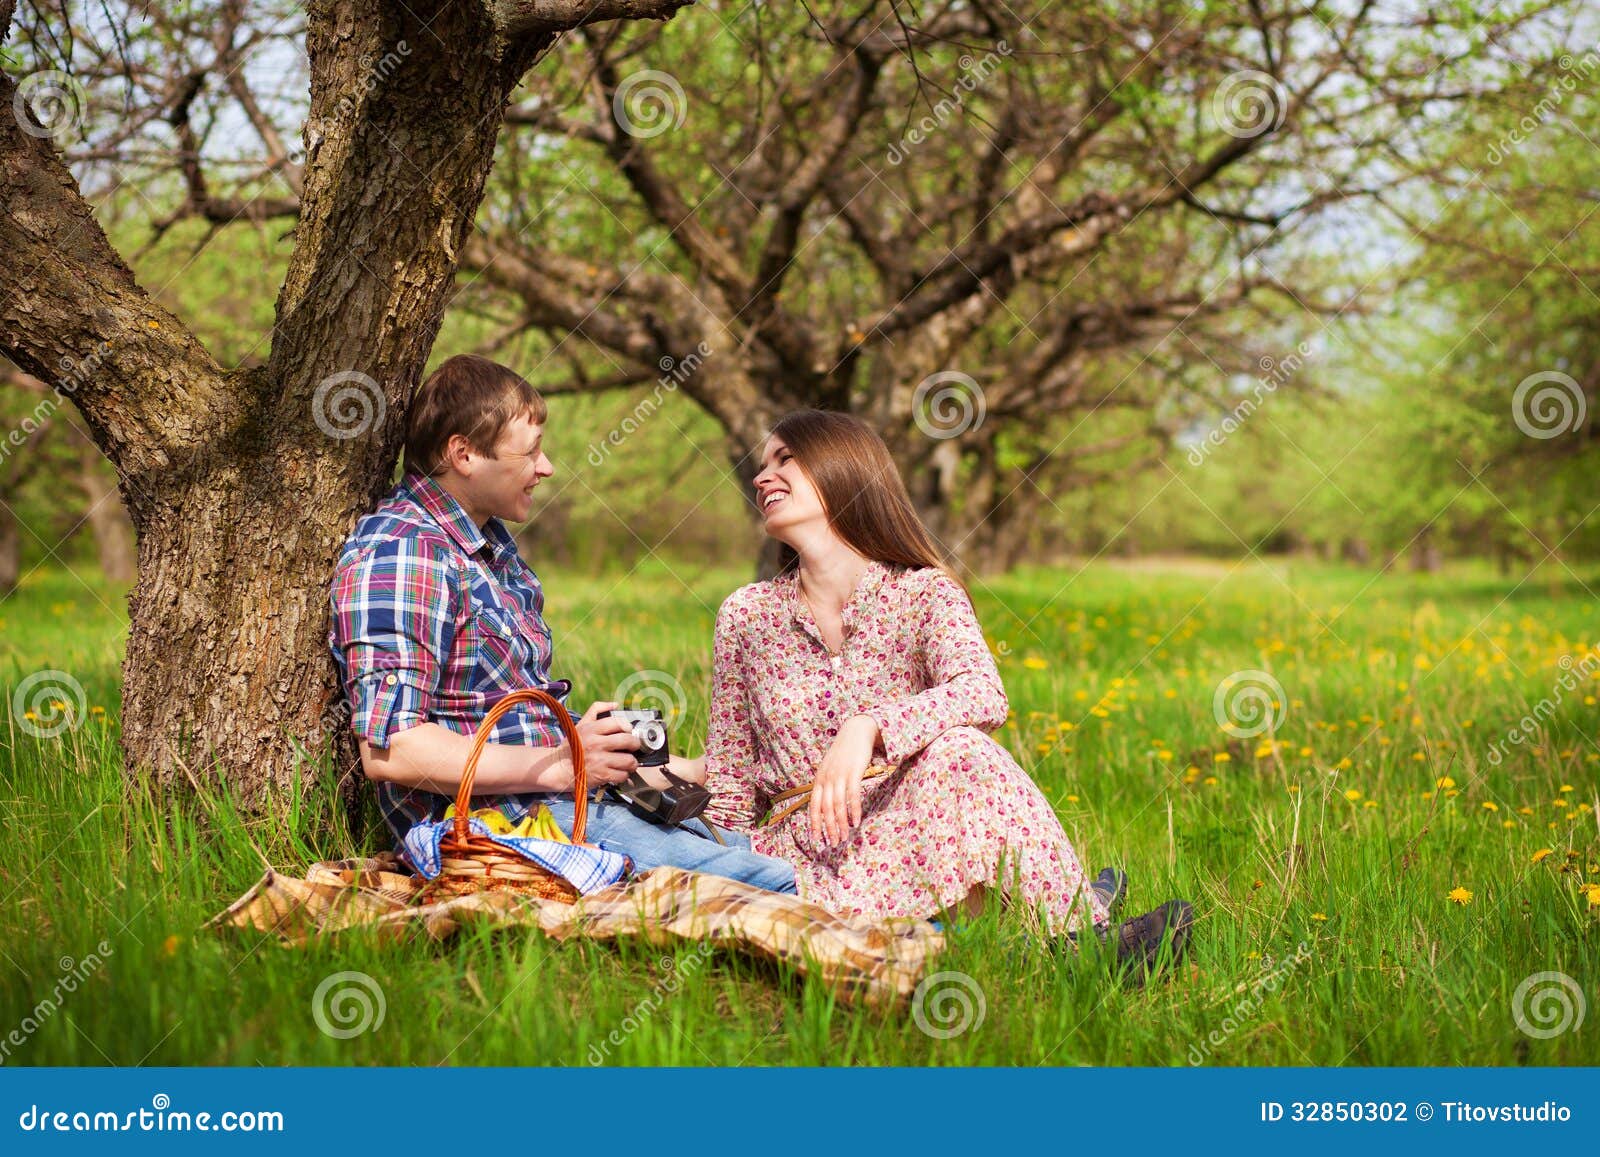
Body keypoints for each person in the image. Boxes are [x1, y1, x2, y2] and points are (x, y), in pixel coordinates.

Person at [687, 410, 1192, 968]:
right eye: (761, 467)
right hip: (805, 851)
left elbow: (983, 691)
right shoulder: (745, 614)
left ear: (844, 469)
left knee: (961, 750)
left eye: (784, 459)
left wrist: (870, 726)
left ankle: (1078, 940)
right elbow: (734, 780)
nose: (761, 478)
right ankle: (1069, 925)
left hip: (914, 826)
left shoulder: (924, 593)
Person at [327, 354, 795, 894]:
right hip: (503, 826)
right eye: (530, 452)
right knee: (774, 882)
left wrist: (596, 744)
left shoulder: (487, 546)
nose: (546, 467)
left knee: (785, 847)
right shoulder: (406, 555)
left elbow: (490, 704)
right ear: (465, 454)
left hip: (561, 798)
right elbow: (393, 750)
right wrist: (562, 764)